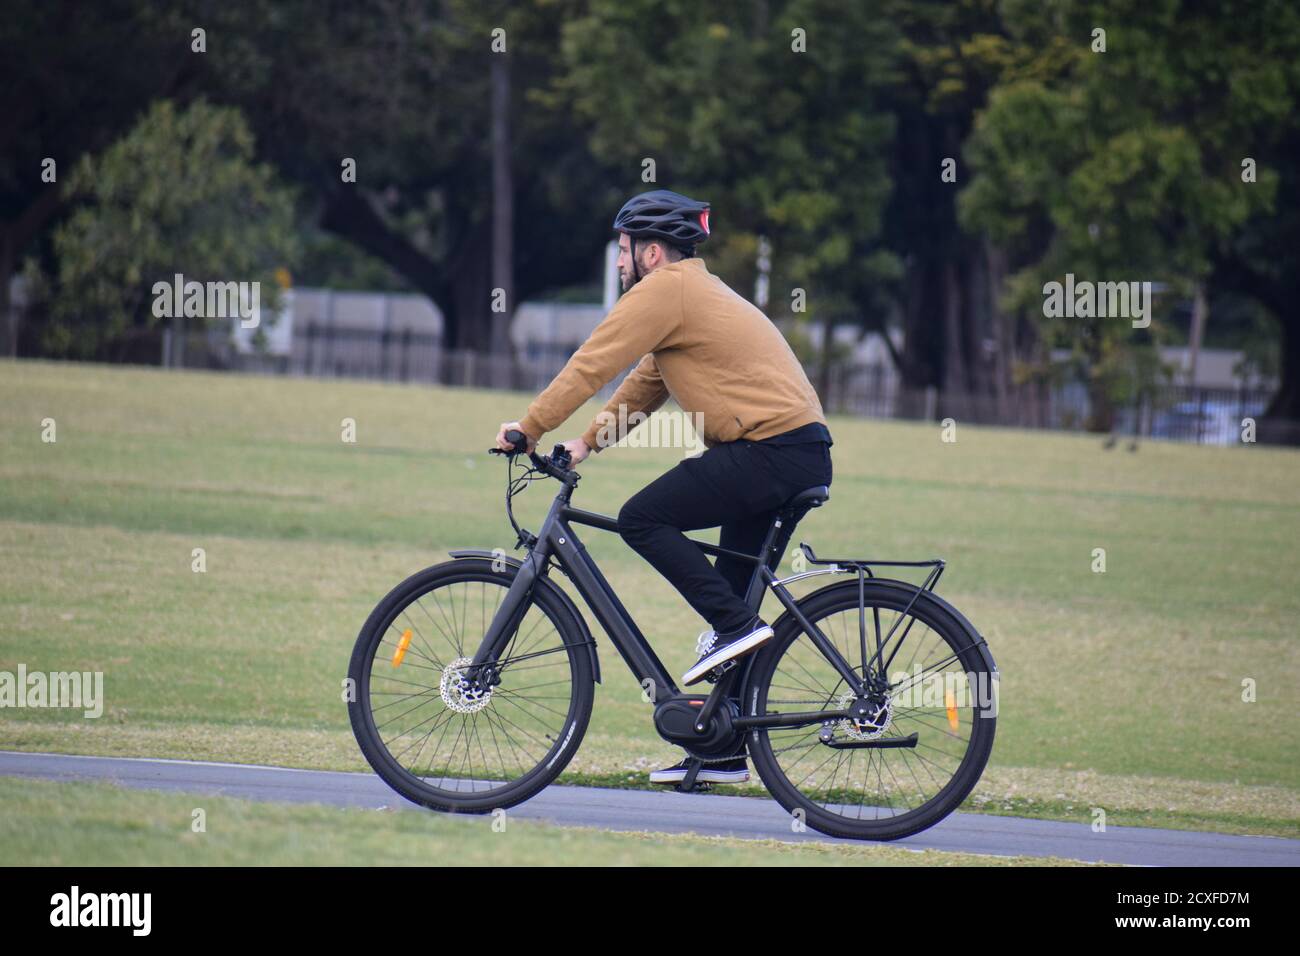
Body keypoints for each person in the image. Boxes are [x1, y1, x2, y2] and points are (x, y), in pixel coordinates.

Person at [494, 189, 833, 784]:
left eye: (623, 252)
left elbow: (591, 364)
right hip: (788, 454)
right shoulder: (692, 294)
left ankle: (737, 627)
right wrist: (583, 443)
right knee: (733, 589)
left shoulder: (666, 291)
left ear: (651, 253)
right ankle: (720, 747)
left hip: (768, 453)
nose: (619, 264)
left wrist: (528, 428)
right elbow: (646, 382)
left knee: (642, 519)